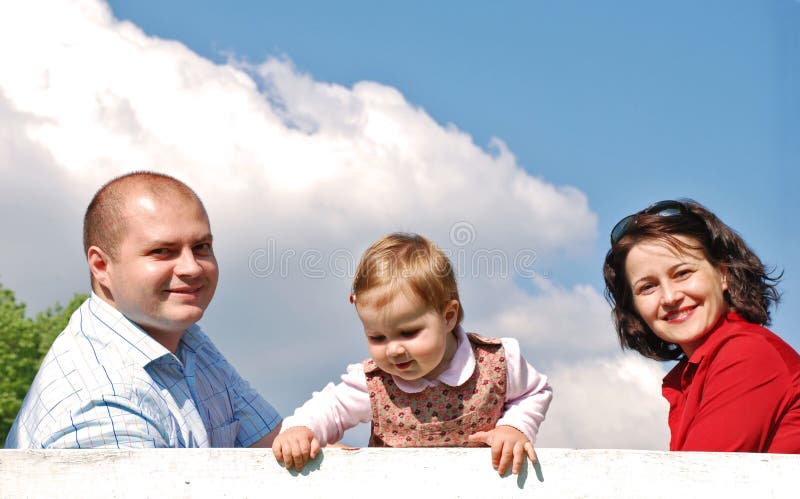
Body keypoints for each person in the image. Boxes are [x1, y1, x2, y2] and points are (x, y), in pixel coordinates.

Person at [5, 171, 282, 448]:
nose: (192, 267)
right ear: (101, 266)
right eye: (162, 251)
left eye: (201, 247)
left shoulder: (184, 340)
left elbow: (275, 449)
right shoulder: (104, 401)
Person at [272, 233, 552, 475]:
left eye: (409, 333)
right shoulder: (376, 382)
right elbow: (330, 408)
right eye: (377, 337)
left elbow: (535, 391)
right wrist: (300, 429)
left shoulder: (495, 363)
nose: (394, 349)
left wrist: (515, 427)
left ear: (448, 317)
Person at [603, 199, 800, 452]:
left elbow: (698, 485)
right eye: (648, 287)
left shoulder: (746, 354)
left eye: (682, 273)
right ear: (634, 308)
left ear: (723, 274)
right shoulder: (696, 372)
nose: (670, 297)